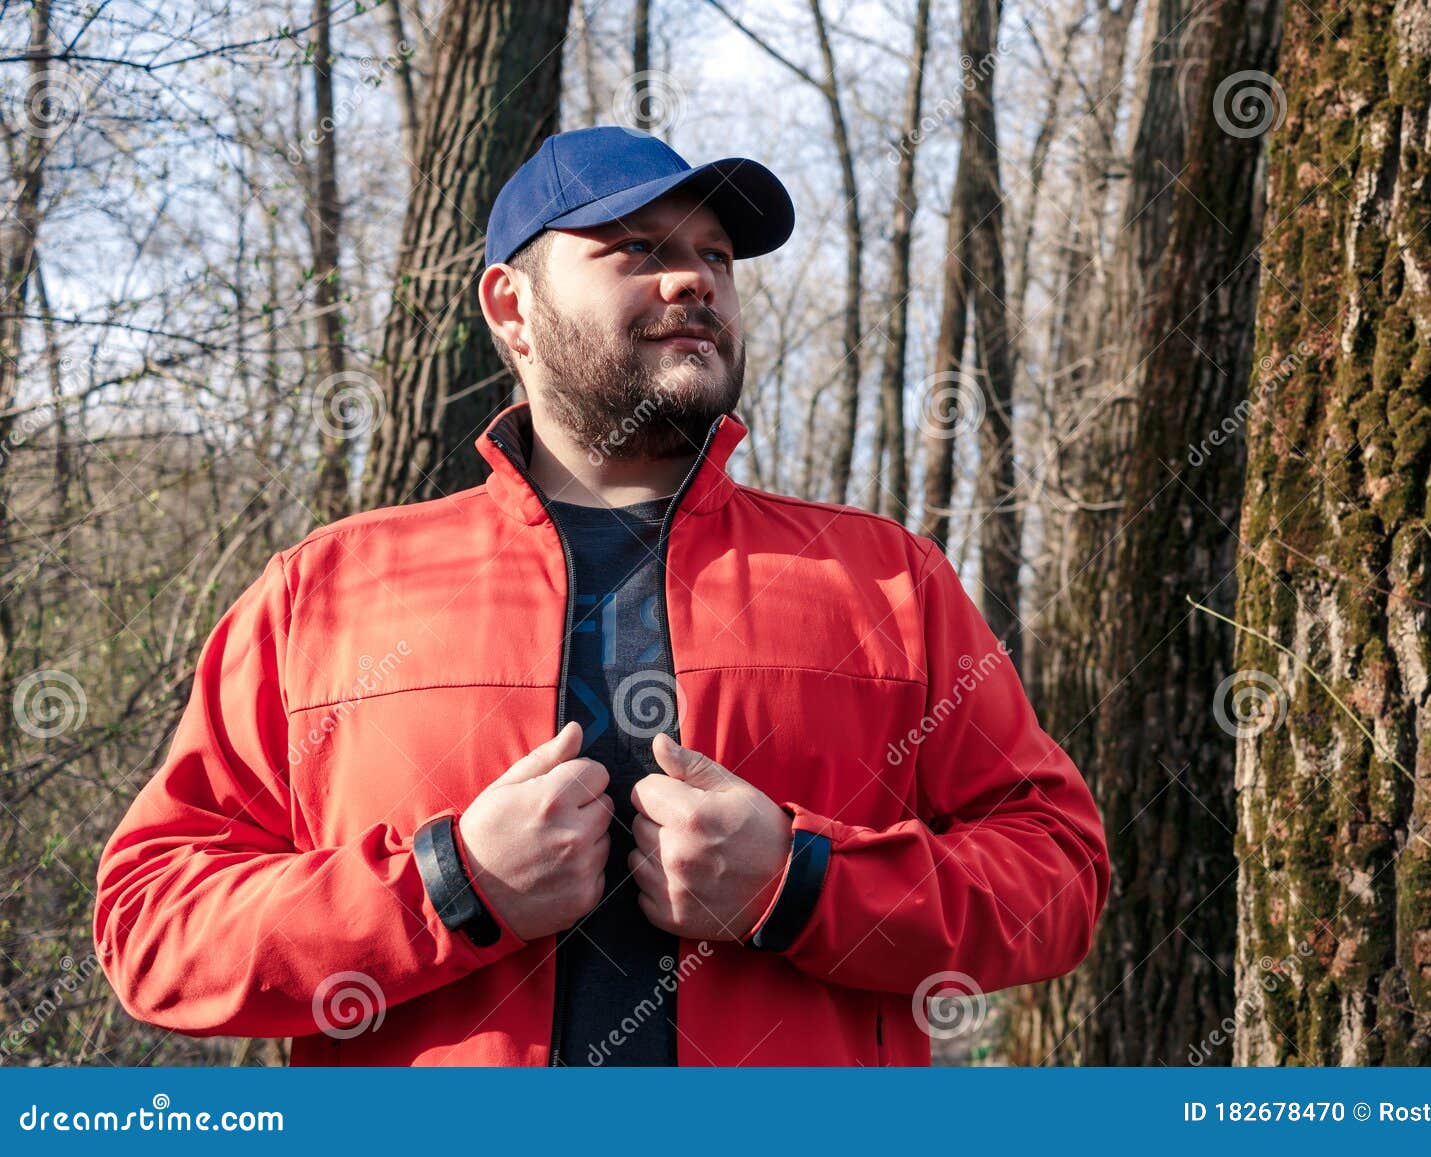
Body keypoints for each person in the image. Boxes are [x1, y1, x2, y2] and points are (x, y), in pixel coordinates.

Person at [94, 125, 1110, 1066]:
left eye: (716, 256)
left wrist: (801, 881)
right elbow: (151, 925)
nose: (694, 279)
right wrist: (450, 885)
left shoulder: (884, 580)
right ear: (512, 308)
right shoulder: (330, 591)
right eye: (635, 250)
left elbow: (1057, 876)